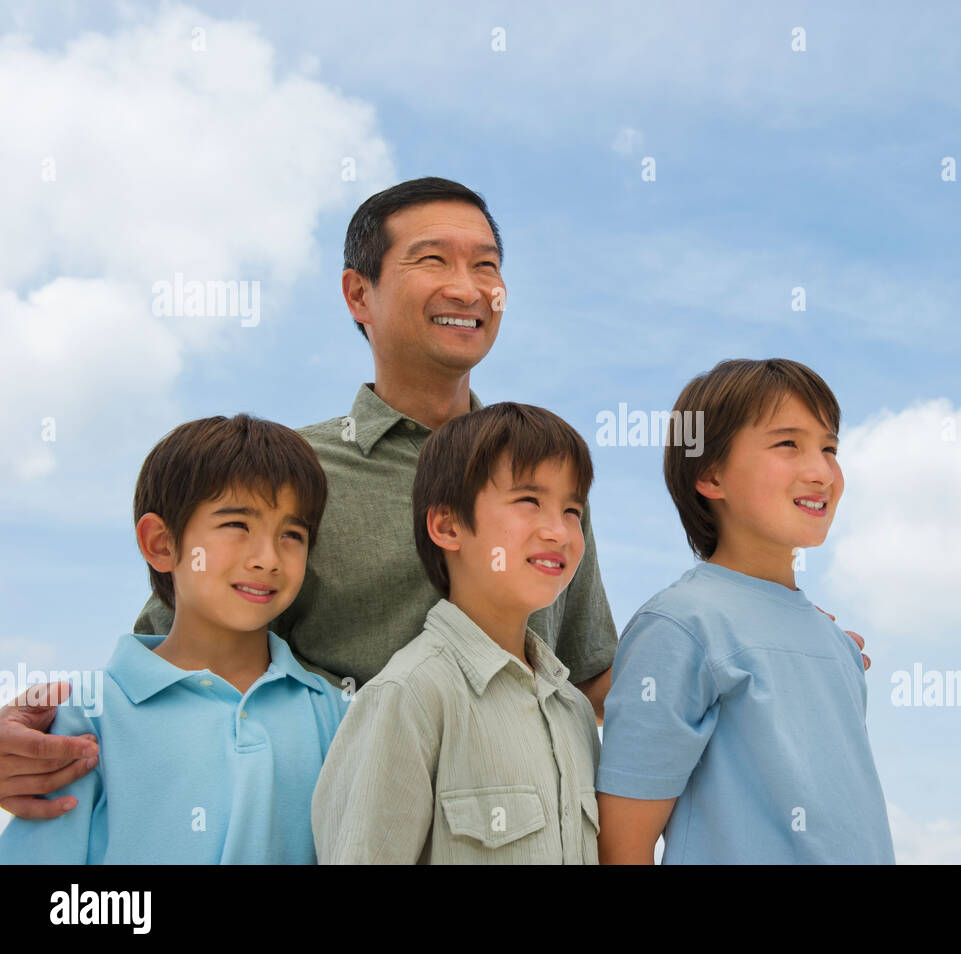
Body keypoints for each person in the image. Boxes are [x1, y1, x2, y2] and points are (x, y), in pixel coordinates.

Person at [0, 177, 618, 822]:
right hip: (332, 832)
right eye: (433, 259)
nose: (468, 288)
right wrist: (39, 732)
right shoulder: (286, 480)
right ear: (359, 293)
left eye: (486, 265)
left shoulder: (550, 489)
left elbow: (589, 675)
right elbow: (172, 656)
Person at [0, 415, 345, 863]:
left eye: (292, 535)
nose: (267, 558)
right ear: (162, 544)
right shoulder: (85, 717)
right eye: (237, 525)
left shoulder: (337, 717)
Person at [595, 359, 895, 864]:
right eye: (787, 444)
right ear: (711, 475)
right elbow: (623, 845)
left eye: (830, 448)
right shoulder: (680, 625)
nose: (821, 471)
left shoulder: (837, 643)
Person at [313, 403, 600, 863]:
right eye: (530, 501)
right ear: (448, 526)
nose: (558, 531)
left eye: (572, 510)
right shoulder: (409, 696)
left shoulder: (575, 711)